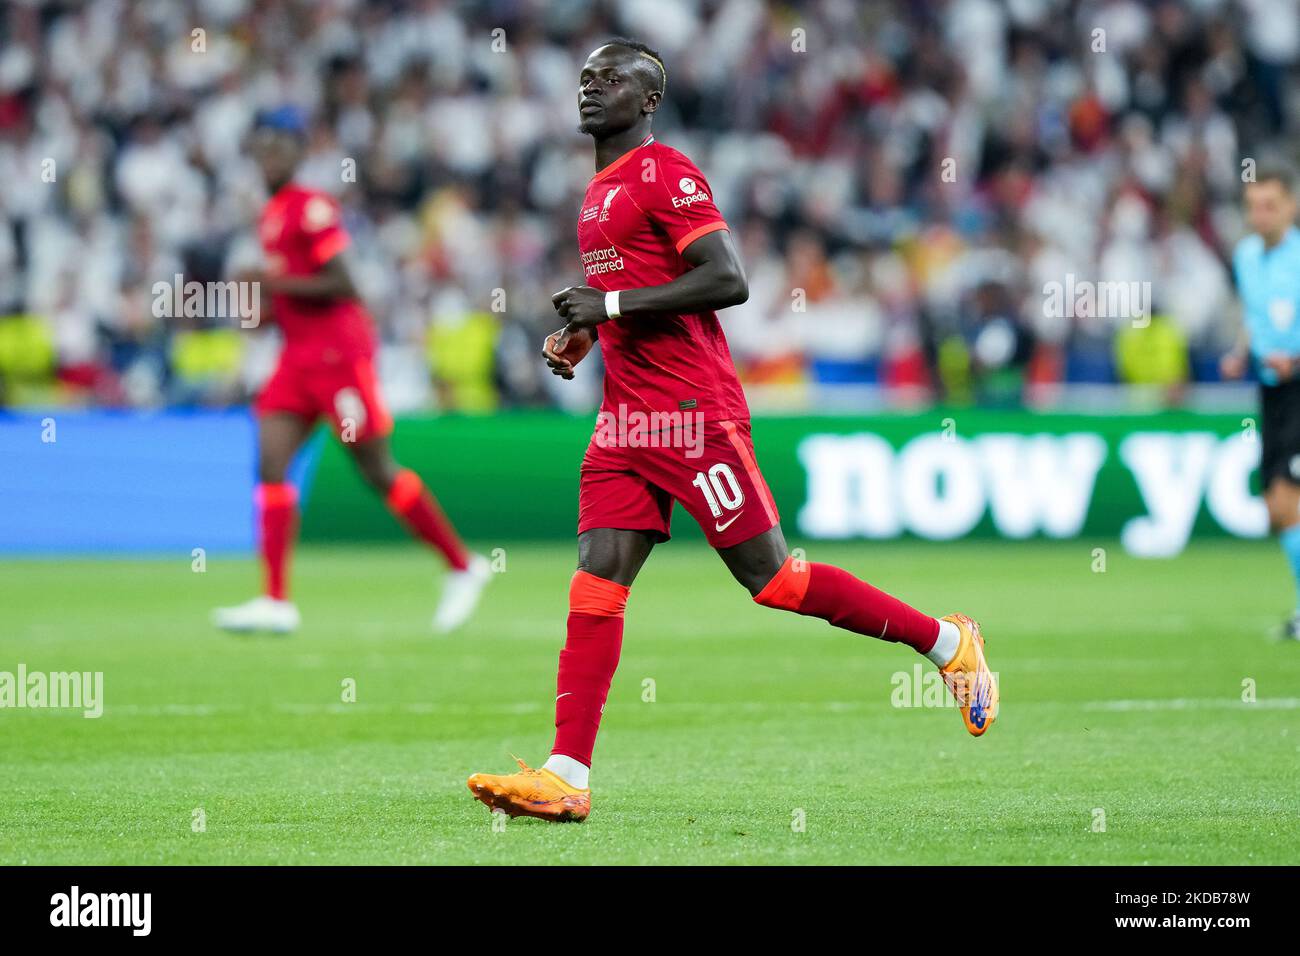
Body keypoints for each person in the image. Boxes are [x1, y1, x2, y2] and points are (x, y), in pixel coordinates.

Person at [466, 41, 997, 822]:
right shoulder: (595, 193)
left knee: (773, 580)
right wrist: (589, 333)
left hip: (691, 414)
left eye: (610, 79)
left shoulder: (664, 171)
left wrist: (607, 308)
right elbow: (639, 291)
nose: (589, 89)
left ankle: (948, 644)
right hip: (626, 419)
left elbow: (727, 279)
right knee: (597, 578)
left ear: (649, 100)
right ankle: (567, 774)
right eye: (584, 78)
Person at [213, 107, 489, 635]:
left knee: (376, 470)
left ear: (298, 151)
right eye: (262, 147)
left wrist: (270, 287)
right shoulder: (270, 214)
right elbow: (292, 291)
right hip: (297, 358)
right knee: (270, 460)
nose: (269, 157)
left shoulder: (312, 207)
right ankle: (275, 600)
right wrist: (262, 314)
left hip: (339, 356)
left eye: (278, 146)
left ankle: (461, 566)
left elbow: (344, 284)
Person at [1221, 168, 1300, 639]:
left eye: (1270, 205)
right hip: (1271, 389)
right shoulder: (1246, 256)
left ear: (1290, 206)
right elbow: (1254, 316)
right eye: (1253, 206)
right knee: (1275, 506)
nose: (1260, 215)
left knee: (1288, 500)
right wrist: (1238, 351)